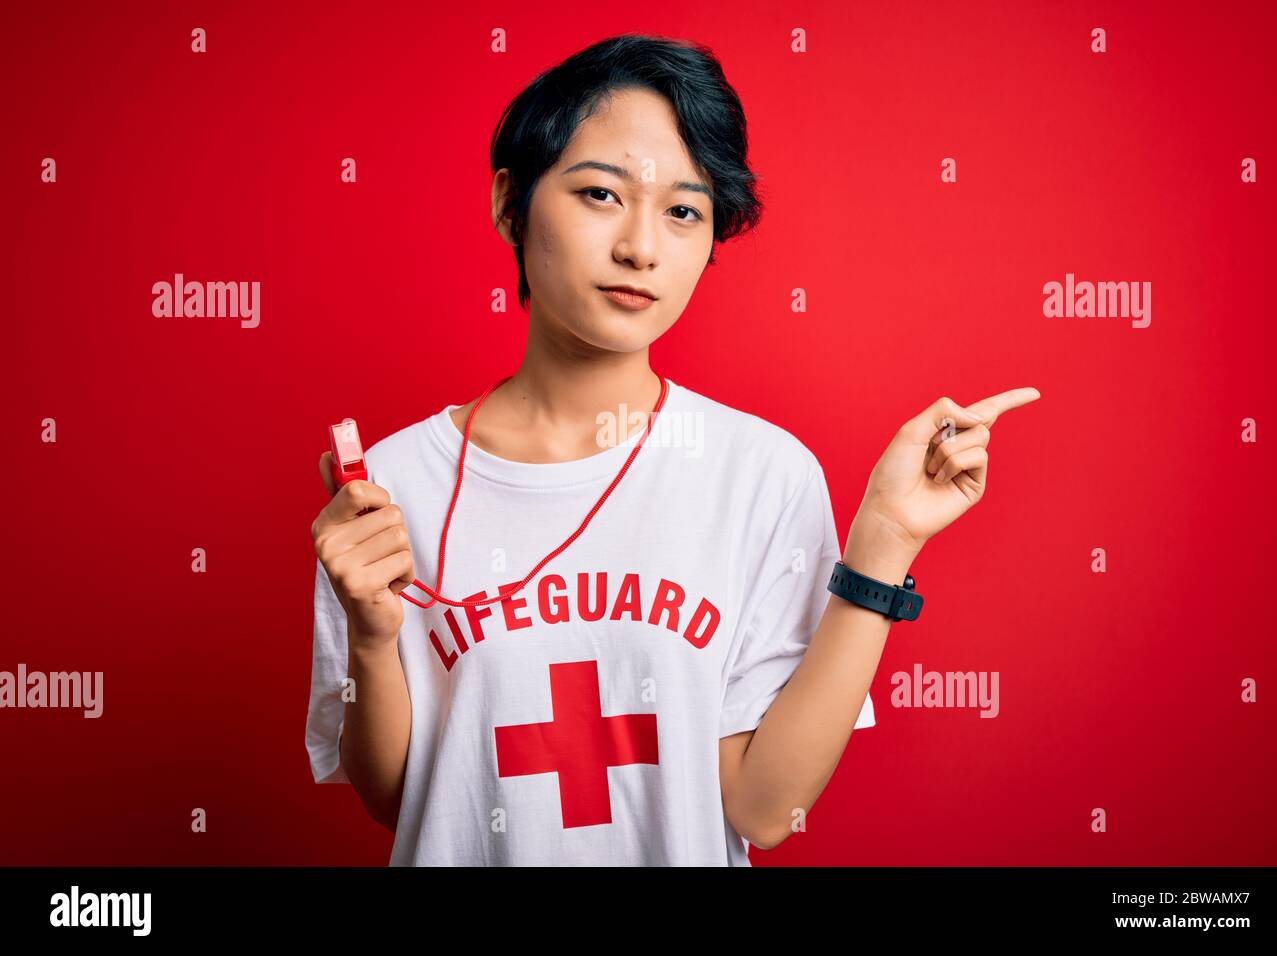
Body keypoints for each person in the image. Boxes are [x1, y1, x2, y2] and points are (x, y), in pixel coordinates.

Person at [306, 33, 1039, 866]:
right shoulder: (390, 488)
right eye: (600, 195)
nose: (642, 249)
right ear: (510, 203)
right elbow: (409, 799)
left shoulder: (762, 475)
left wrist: (884, 542)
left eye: (684, 211)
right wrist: (371, 637)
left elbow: (763, 809)